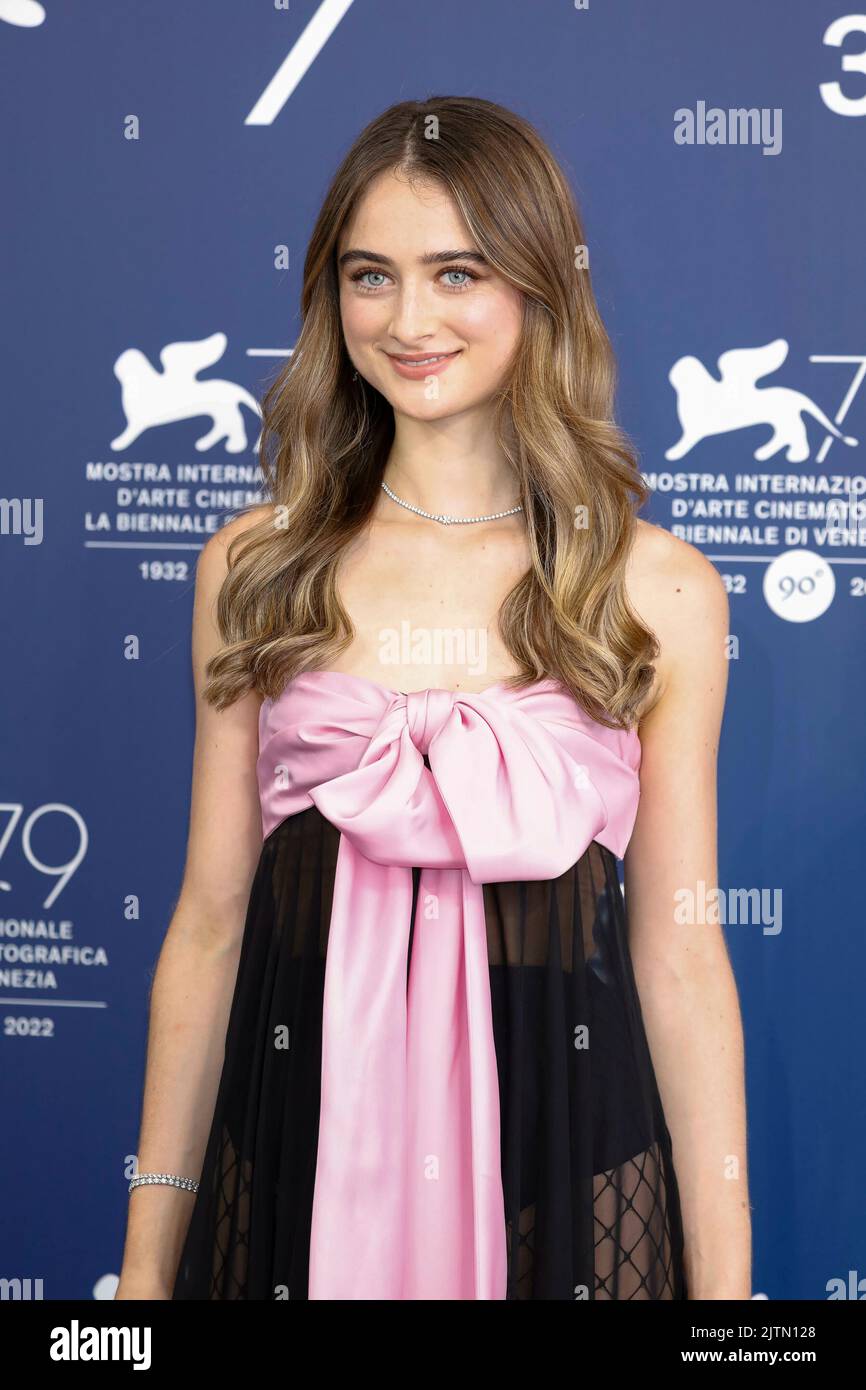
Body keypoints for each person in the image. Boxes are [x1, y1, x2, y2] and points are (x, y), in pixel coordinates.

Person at [115, 95, 750, 1301]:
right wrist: (145, 1272)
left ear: (536, 284)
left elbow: (680, 951)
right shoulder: (257, 564)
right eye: (370, 275)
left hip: (567, 1154)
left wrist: (725, 1304)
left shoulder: (655, 586)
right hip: (297, 1140)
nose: (408, 320)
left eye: (455, 271)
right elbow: (207, 921)